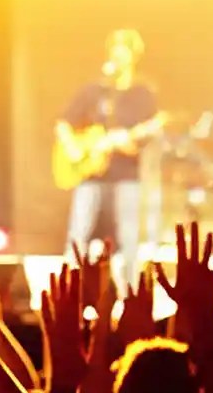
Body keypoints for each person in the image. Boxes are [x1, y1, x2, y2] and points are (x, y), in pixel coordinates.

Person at [56, 29, 161, 291]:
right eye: (114, 51)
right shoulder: (94, 91)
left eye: (124, 51)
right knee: (78, 234)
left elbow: (145, 135)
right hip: (90, 174)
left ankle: (131, 297)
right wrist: (74, 150)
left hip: (126, 176)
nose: (118, 56)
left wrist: (126, 141)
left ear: (134, 57)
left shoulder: (142, 94)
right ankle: (67, 293)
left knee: (128, 237)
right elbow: (63, 123)